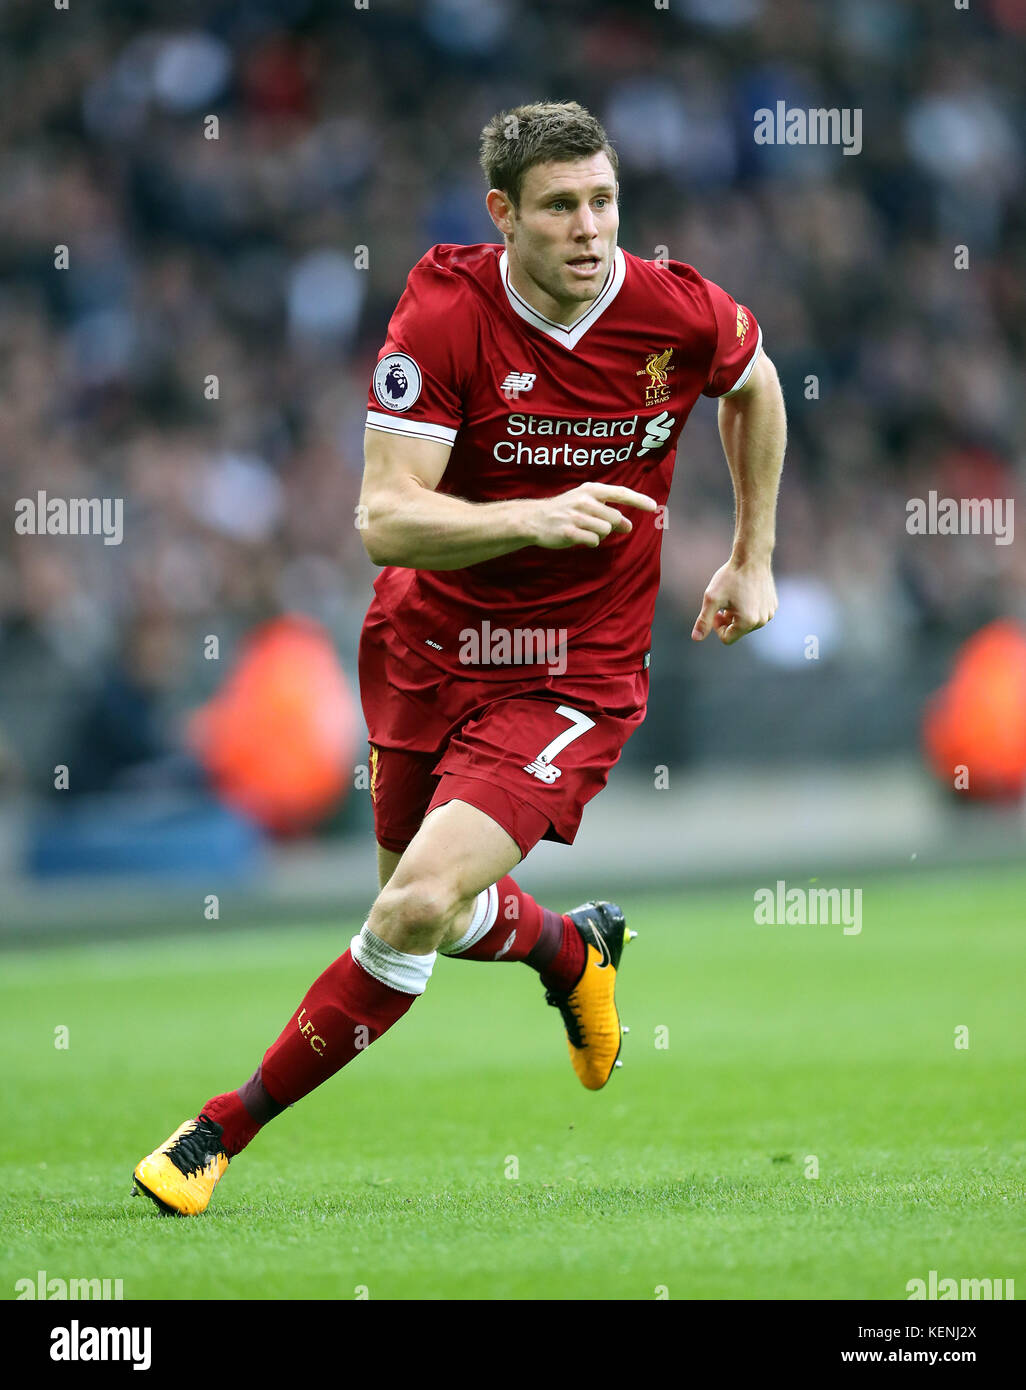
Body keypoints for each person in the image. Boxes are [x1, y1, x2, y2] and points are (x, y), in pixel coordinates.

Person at [133, 100, 786, 1216]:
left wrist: (752, 556)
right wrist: (533, 516)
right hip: (428, 646)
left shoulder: (673, 310)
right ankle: (572, 955)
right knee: (417, 898)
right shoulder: (445, 311)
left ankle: (215, 1133)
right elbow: (385, 519)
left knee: (413, 907)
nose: (591, 229)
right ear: (504, 216)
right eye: (561, 207)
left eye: (604, 201)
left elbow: (758, 382)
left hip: (572, 671)